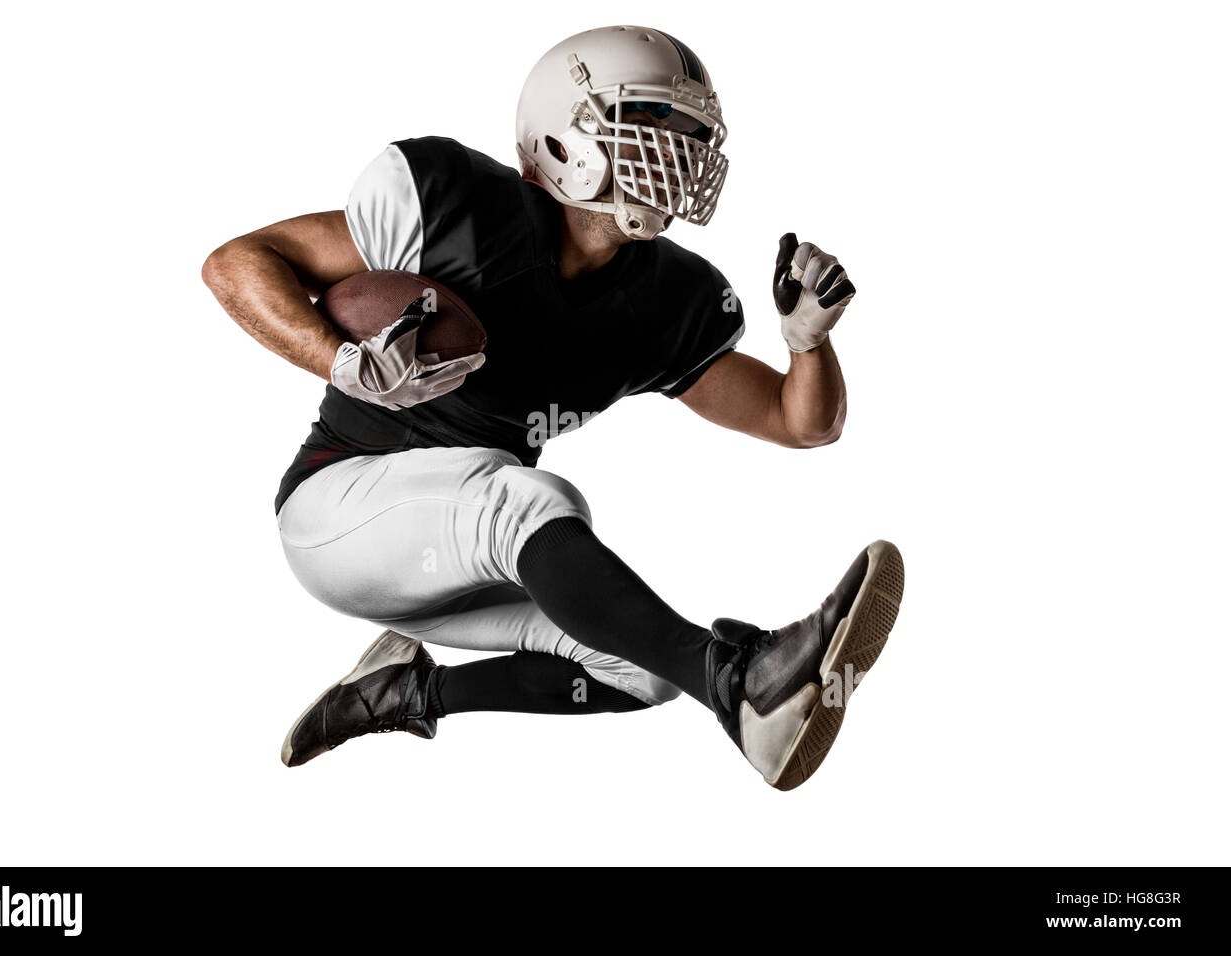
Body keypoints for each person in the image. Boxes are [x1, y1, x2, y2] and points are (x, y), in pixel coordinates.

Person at [202, 25, 904, 790]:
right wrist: (342, 362)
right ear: (565, 134)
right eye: (653, 124)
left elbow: (802, 423)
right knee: (531, 500)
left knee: (639, 668)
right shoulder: (456, 208)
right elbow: (237, 262)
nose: (681, 152)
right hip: (337, 511)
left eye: (693, 135)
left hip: (458, 556)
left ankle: (406, 691)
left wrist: (807, 343)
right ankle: (741, 683)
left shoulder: (665, 297)